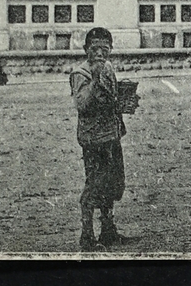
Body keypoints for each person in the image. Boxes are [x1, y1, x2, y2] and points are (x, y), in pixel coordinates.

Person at [70, 26, 136, 249]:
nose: (99, 53)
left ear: (111, 49)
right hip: (93, 138)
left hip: (111, 135)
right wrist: (96, 80)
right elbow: (83, 105)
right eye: (94, 48)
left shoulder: (108, 67)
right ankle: (87, 235)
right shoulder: (80, 73)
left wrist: (125, 100)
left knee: (112, 183)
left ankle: (108, 230)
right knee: (95, 184)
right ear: (85, 49)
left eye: (104, 49)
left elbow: (110, 98)